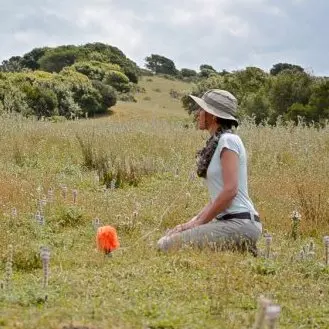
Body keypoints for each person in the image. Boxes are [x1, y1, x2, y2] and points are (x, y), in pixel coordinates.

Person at [157, 89, 262, 255]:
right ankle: (243, 250)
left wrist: (197, 224)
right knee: (170, 236)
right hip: (229, 222)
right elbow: (217, 198)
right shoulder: (218, 141)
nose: (198, 113)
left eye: (202, 109)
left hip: (239, 224)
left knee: (166, 245)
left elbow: (230, 191)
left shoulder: (229, 140)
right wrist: (190, 223)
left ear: (212, 115)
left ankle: (243, 245)